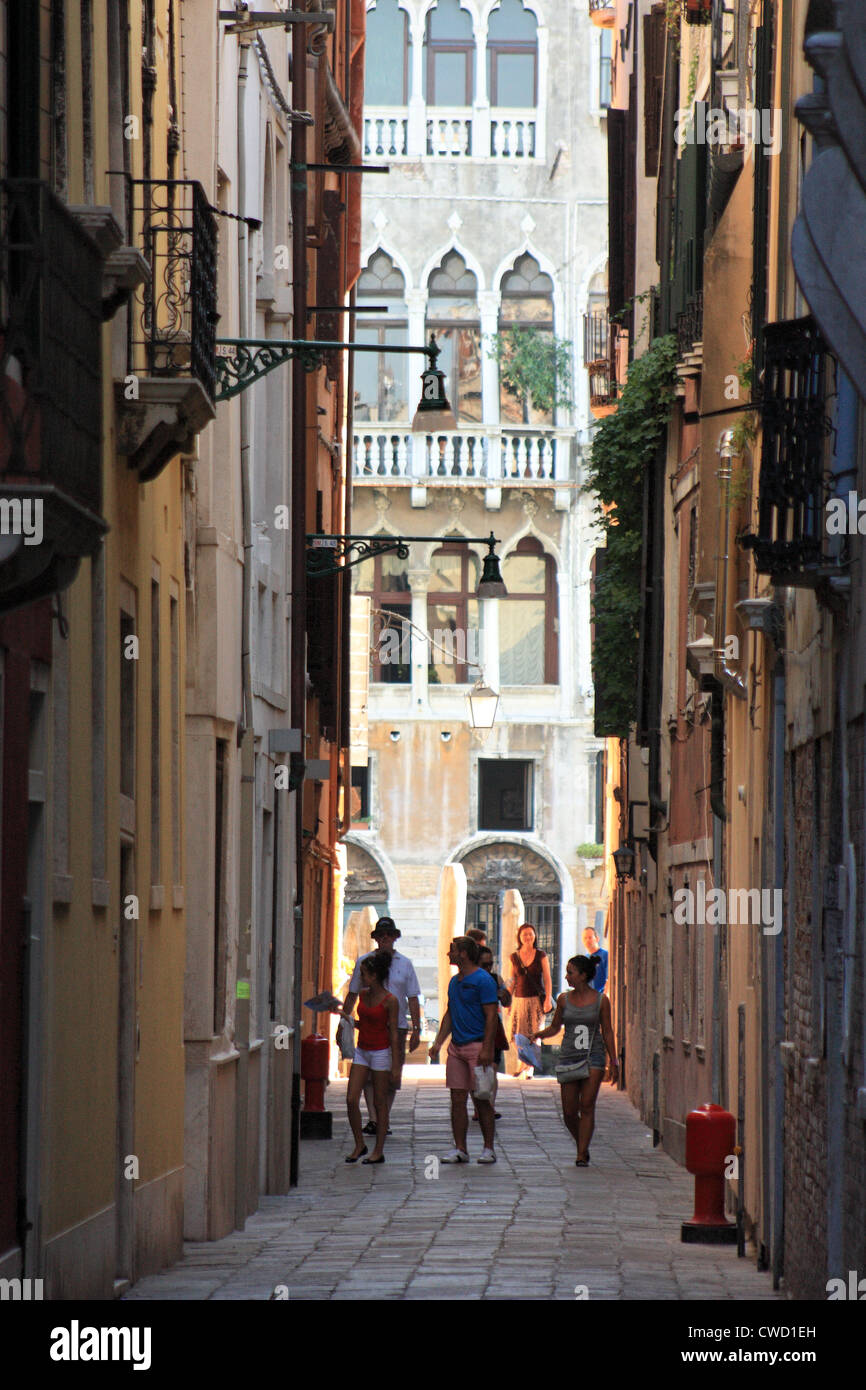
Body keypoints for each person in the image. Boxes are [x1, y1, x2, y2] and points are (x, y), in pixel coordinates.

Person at [337, 918, 421, 1135]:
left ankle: (384, 1116)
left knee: (392, 1074)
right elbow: (353, 993)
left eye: (389, 935)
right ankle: (375, 1118)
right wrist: (343, 1021)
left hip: (398, 1026)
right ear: (375, 938)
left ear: (395, 938)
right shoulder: (365, 962)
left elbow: (412, 998)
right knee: (368, 1075)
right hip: (369, 1025)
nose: (385, 938)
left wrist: (417, 1029)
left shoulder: (405, 964)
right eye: (381, 935)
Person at [533, 954, 618, 1166]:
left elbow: (607, 1031)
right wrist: (538, 1035)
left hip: (593, 1056)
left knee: (587, 1105)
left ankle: (581, 1153)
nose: (566, 976)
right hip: (569, 1056)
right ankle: (583, 1142)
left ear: (582, 975)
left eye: (570, 972)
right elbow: (556, 1026)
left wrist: (613, 1061)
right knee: (570, 1112)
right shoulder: (563, 999)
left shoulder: (601, 1001)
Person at [429, 936, 499, 1163]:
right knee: (457, 1099)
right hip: (456, 1048)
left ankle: (488, 1148)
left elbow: (491, 1016)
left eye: (453, 950)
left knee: (482, 1099)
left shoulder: (484, 980)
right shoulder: (454, 981)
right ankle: (461, 1148)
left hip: (477, 1046)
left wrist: (487, 1048)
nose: (449, 954)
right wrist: (439, 1042)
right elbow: (450, 1013)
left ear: (464, 954)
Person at [344, 952, 400, 1164]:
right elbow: (363, 1022)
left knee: (379, 1102)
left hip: (380, 1052)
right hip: (362, 1050)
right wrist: (347, 1021)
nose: (362, 978)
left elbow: (393, 1032)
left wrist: (395, 1064)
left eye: (365, 974)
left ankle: (379, 1149)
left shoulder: (390, 1001)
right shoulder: (363, 995)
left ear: (375, 976)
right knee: (351, 1099)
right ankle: (360, 1143)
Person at [506, 924, 554, 1078]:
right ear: (519, 937)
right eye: (524, 934)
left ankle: (529, 1069)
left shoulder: (541, 955)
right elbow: (512, 979)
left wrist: (548, 999)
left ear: (535, 936)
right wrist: (506, 999)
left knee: (534, 1034)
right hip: (519, 1000)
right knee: (515, 1034)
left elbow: (547, 978)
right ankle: (524, 1062)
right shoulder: (514, 957)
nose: (528, 937)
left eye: (530, 934)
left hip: (536, 1001)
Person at [474, 946, 511, 1120]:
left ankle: (490, 1106)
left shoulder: (496, 979)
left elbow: (506, 1001)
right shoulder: (470, 980)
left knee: (492, 1069)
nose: (488, 968)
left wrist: (503, 994)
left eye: (490, 964)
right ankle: (479, 1107)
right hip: (475, 1028)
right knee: (475, 1069)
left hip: (493, 1027)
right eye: (484, 965)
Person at [582, 926, 609, 994]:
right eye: (585, 938)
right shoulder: (585, 958)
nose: (587, 940)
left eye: (590, 937)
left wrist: (604, 995)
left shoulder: (605, 955)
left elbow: (609, 978)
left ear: (597, 939)